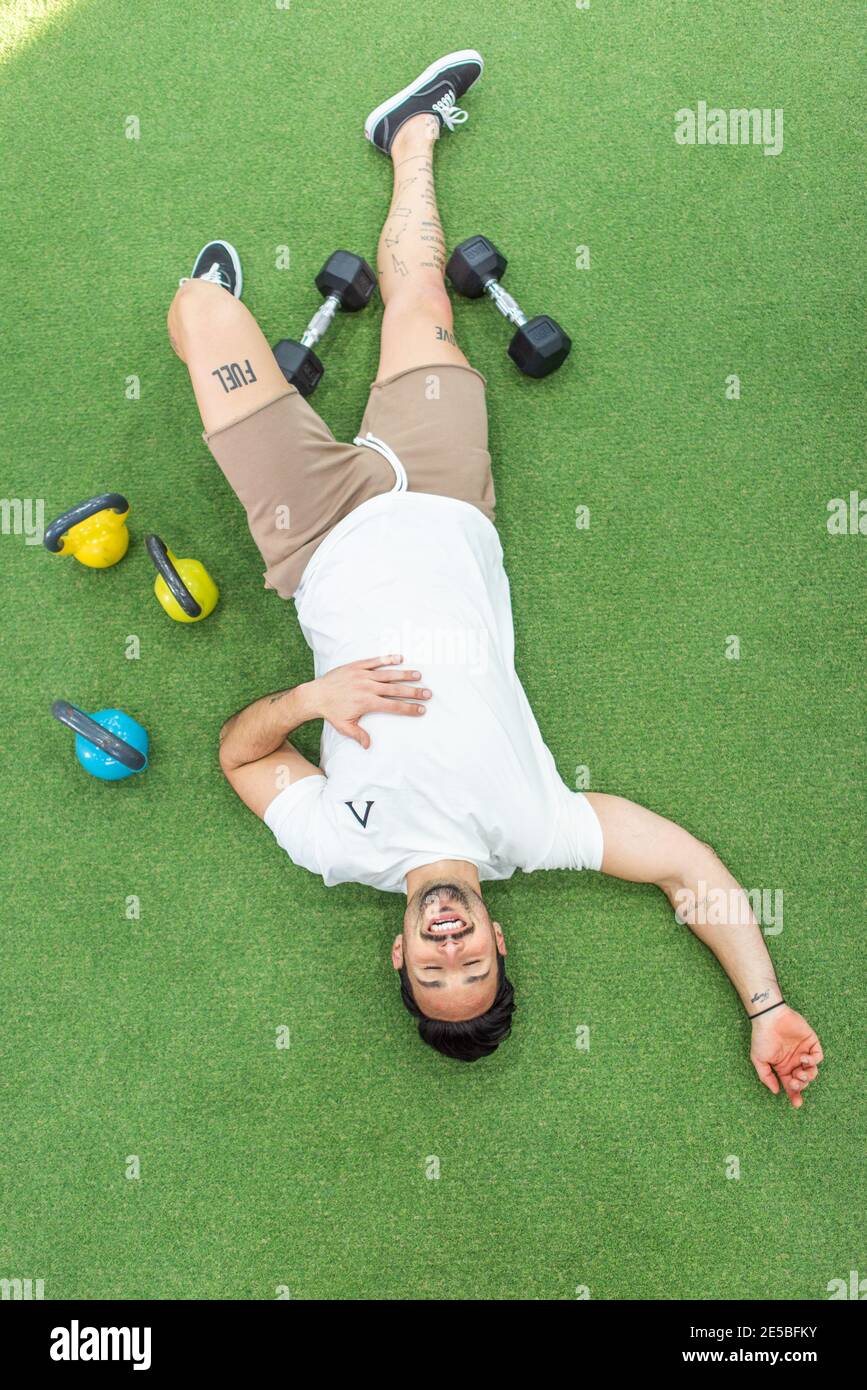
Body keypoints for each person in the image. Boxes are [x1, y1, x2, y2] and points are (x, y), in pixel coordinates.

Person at [166, 51, 823, 1093]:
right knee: (422, 290)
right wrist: (768, 1002)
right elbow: (687, 869)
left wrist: (309, 699)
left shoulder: (342, 850)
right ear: (501, 942)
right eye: (470, 962)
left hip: (317, 530)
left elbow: (242, 761)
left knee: (197, 310)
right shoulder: (537, 828)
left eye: (434, 966)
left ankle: (240, 348)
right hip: (443, 493)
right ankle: (412, 134)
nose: (448, 945)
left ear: (399, 956)